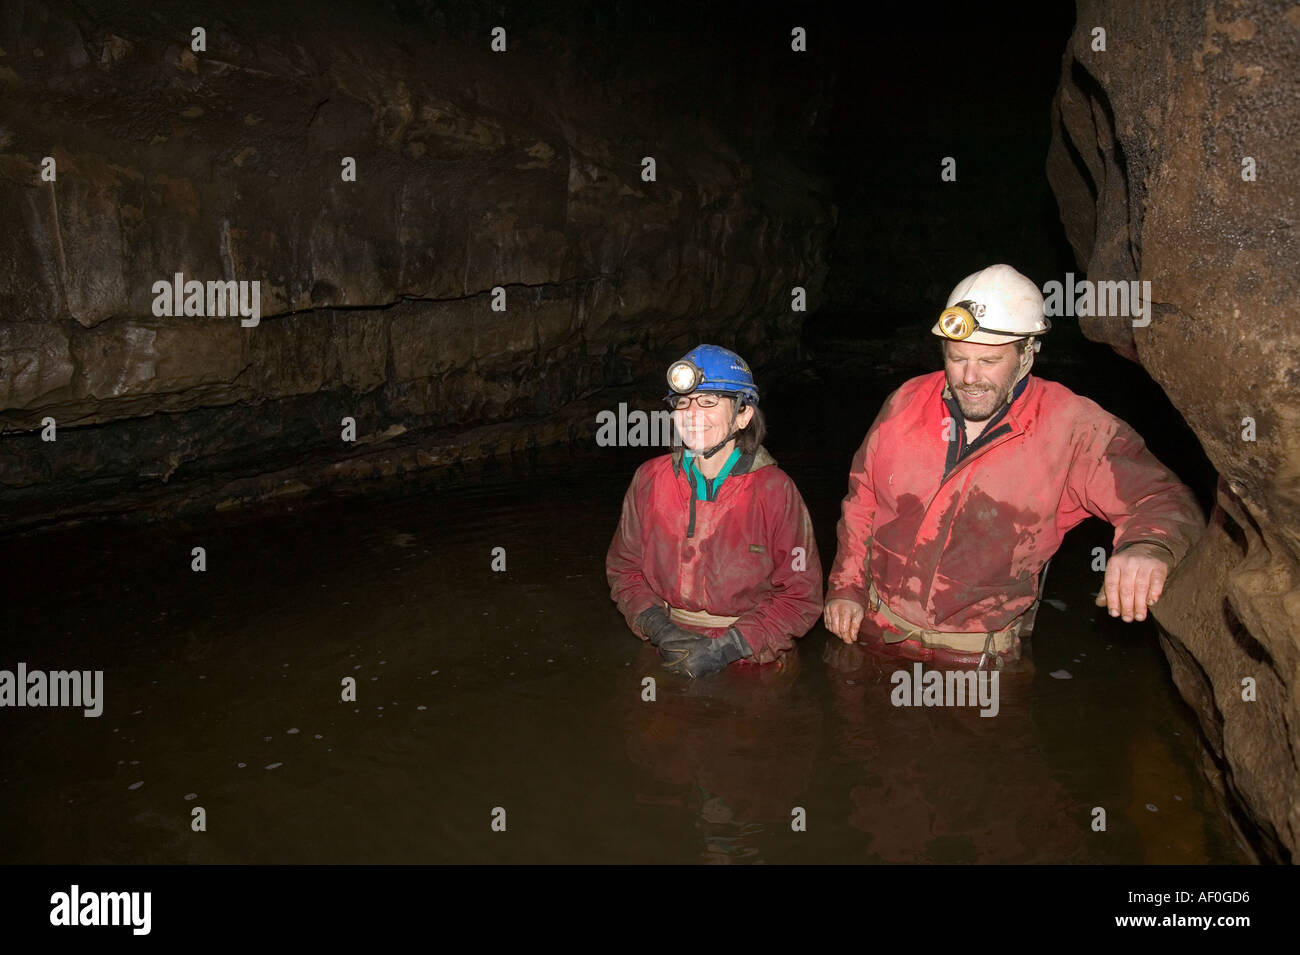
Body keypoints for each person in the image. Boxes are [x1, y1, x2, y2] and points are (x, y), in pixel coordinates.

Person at [824, 264, 1204, 669]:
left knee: (995, 733)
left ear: (1027, 355)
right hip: (876, 632)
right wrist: (845, 588)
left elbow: (1164, 498)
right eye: (957, 358)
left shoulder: (1073, 428)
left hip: (978, 657)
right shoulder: (906, 401)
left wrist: (1146, 546)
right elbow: (862, 499)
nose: (969, 377)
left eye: (989, 361)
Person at [606, 345, 823, 678]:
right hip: (666, 650)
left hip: (752, 659)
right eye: (682, 403)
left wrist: (729, 647)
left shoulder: (775, 491)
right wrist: (659, 628)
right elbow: (625, 568)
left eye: (708, 402)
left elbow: (800, 594)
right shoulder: (650, 479)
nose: (692, 414)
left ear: (742, 415)